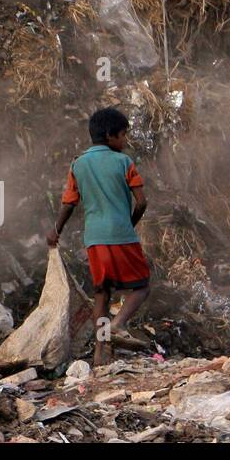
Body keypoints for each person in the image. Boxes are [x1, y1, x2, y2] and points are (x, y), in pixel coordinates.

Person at [47, 107, 151, 365]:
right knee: (141, 286)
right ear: (109, 135)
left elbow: (69, 203)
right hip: (122, 235)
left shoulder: (78, 164)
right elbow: (141, 203)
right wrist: (129, 224)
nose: (125, 141)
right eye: (123, 135)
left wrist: (56, 230)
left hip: (94, 240)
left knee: (101, 295)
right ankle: (118, 323)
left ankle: (100, 353)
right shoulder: (124, 162)